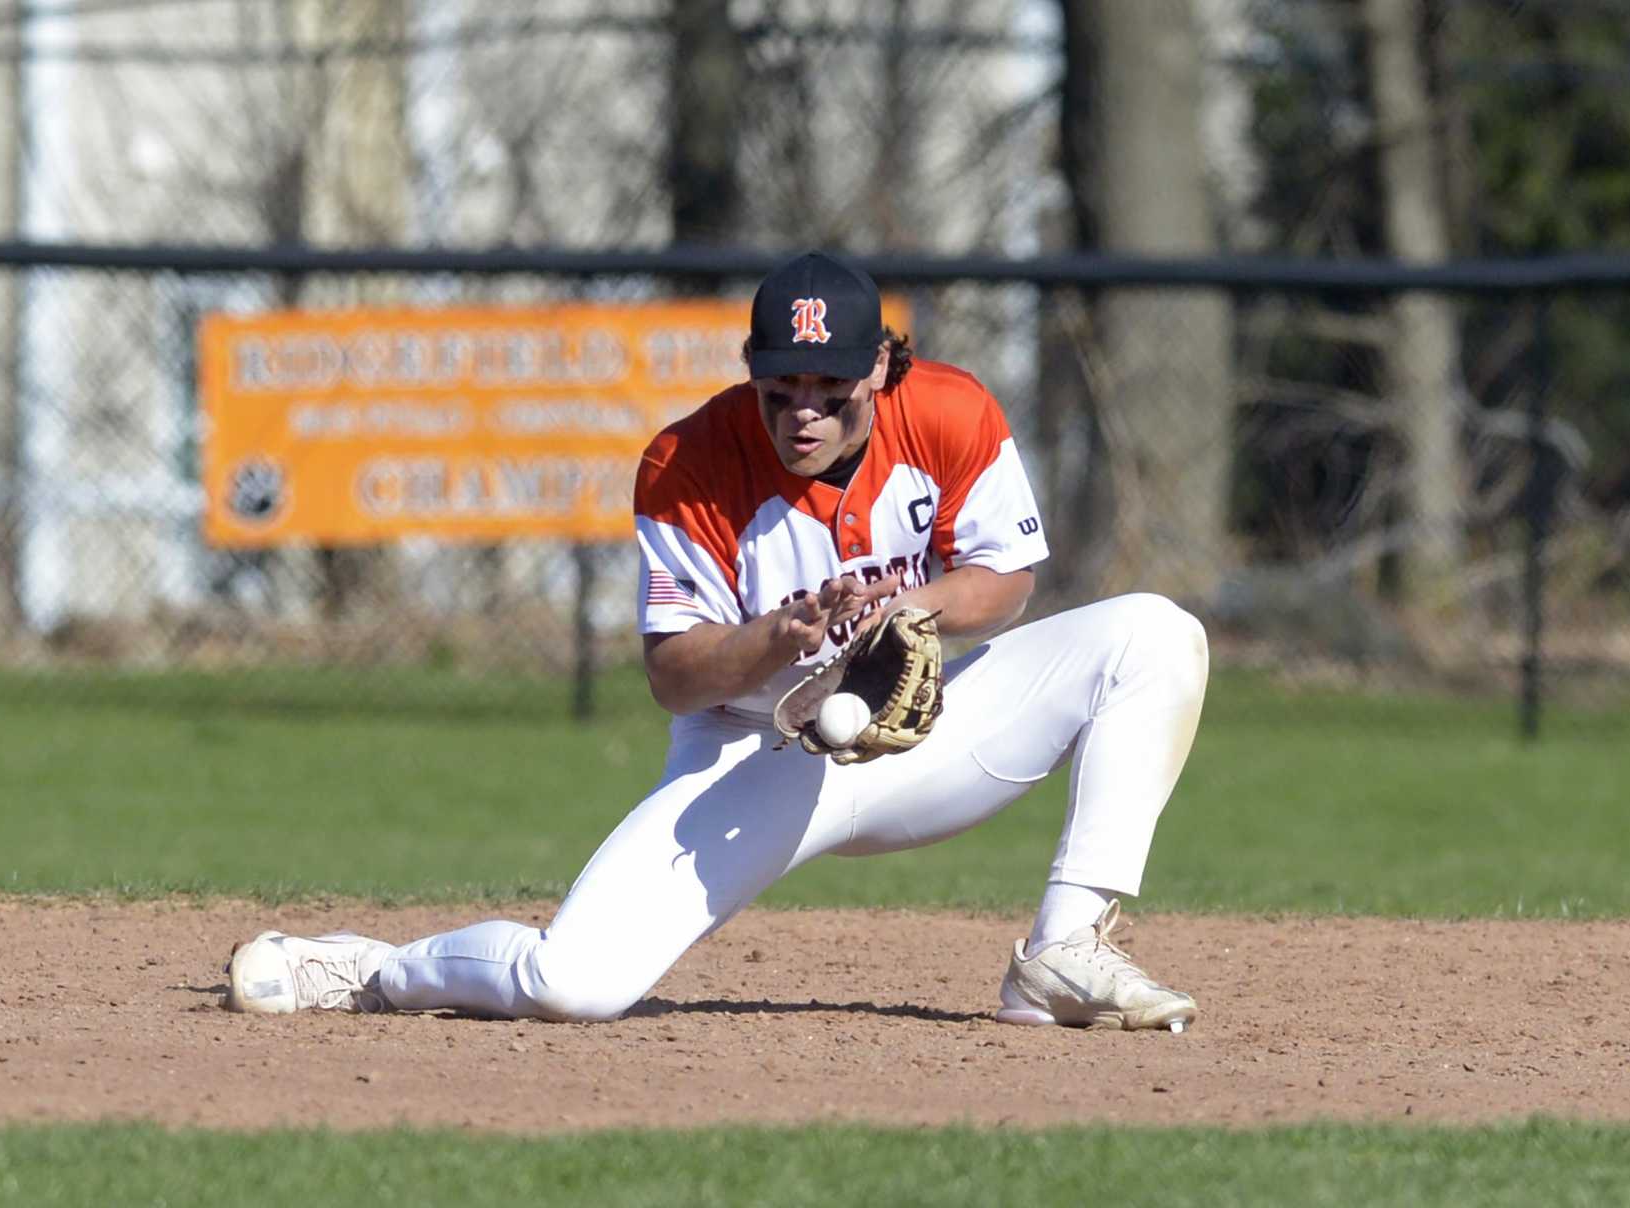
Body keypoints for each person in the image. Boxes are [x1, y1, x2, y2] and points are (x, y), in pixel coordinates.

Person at [226, 250, 1210, 1031]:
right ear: (751, 370)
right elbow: (672, 677)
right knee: (571, 982)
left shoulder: (948, 411)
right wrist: (778, 635)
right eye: (781, 389)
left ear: (879, 364)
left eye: (830, 388)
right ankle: (369, 969)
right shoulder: (688, 462)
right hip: (750, 756)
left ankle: (1060, 953)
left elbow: (1006, 578)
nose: (803, 413)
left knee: (1150, 636)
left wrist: (913, 614)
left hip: (912, 737)